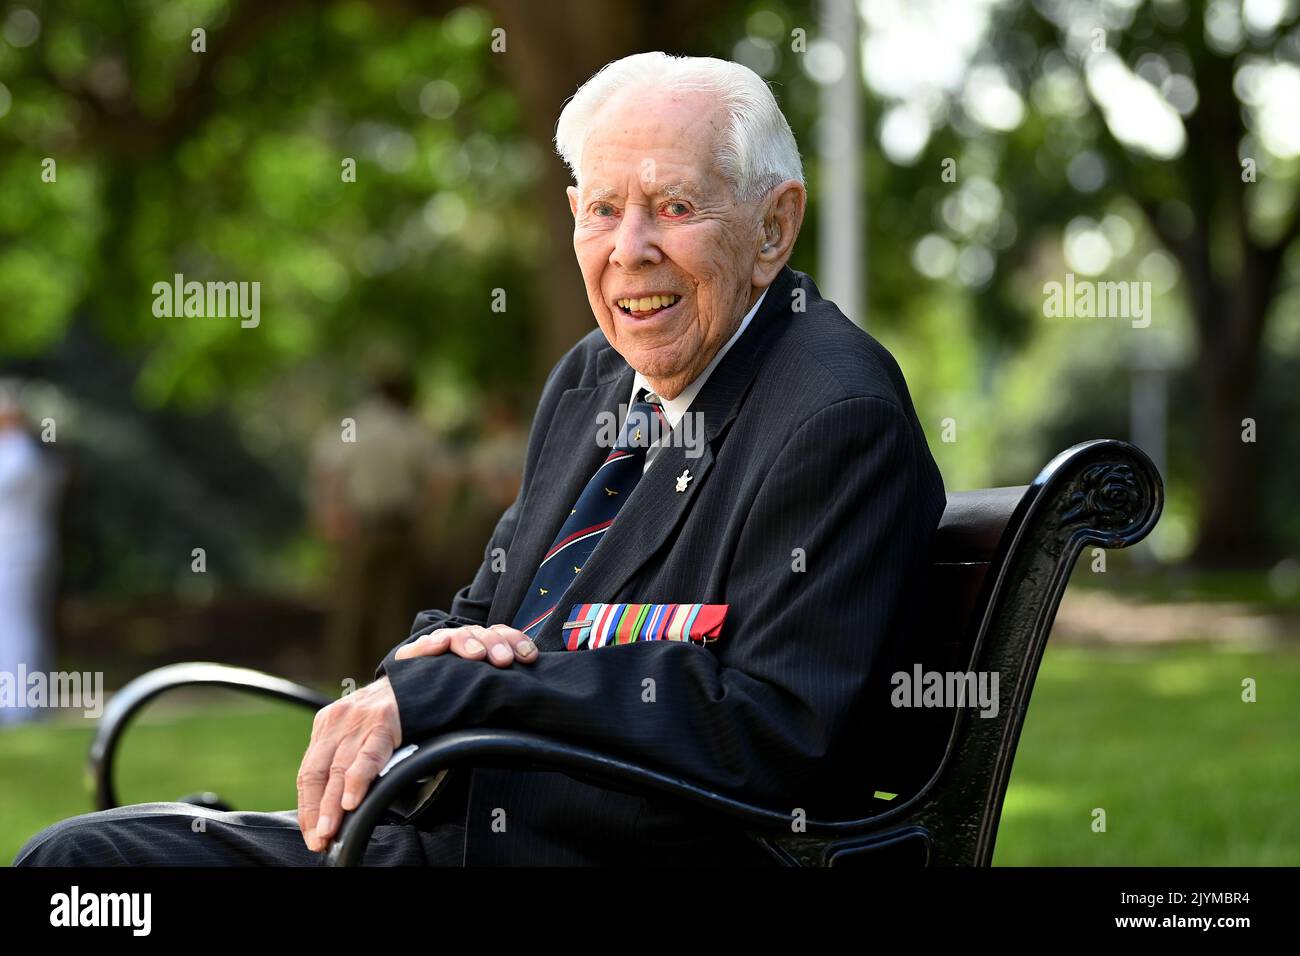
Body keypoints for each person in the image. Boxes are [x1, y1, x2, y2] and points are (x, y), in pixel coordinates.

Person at [15, 52, 944, 866]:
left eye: (675, 206)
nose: (631, 251)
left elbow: (776, 727)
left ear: (774, 228)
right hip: (435, 831)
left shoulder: (834, 412)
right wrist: (430, 665)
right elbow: (482, 618)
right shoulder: (591, 380)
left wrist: (464, 685)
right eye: (606, 209)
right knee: (86, 864)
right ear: (574, 213)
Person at [310, 364, 449, 686]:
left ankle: (343, 673)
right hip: (399, 526)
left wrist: (330, 512)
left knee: (351, 605)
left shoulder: (352, 424)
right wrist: (429, 523)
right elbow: (440, 479)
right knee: (396, 605)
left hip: (358, 527)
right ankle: (391, 673)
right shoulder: (410, 428)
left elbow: (328, 470)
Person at [0, 381, 64, 727]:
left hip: (13, 554)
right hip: (33, 551)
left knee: (15, 630)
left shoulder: (15, 455)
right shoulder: (36, 454)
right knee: (27, 628)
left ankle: (20, 709)